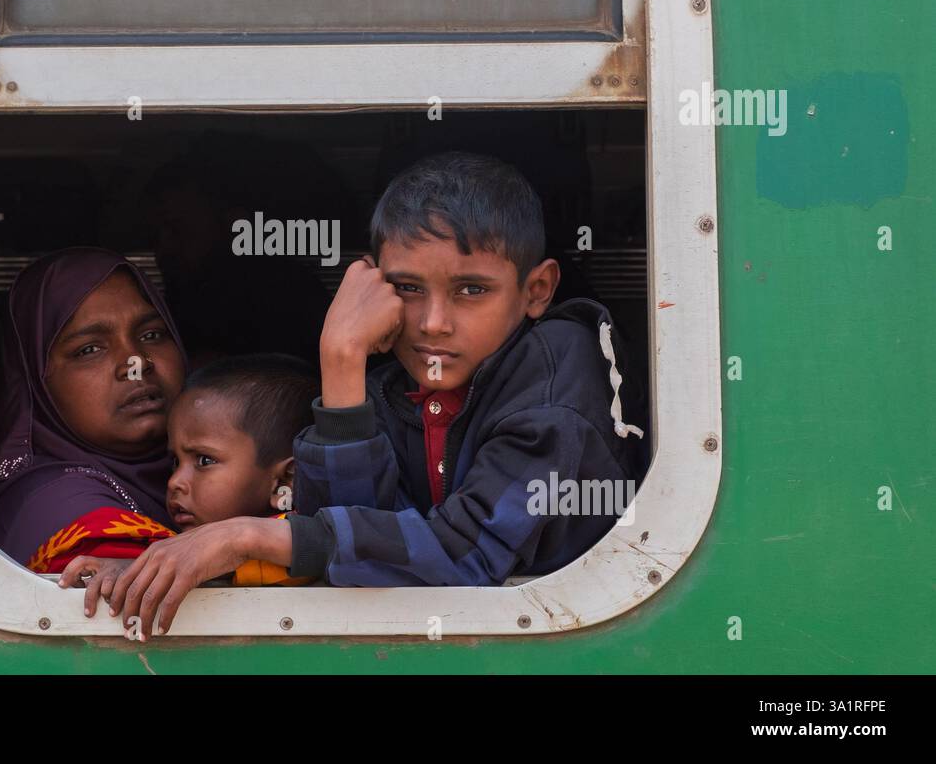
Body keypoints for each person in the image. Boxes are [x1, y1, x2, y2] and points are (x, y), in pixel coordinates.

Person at [100, 152, 647, 638]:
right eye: (408, 289)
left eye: (471, 290)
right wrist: (342, 359)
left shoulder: (557, 383)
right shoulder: (393, 385)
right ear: (372, 288)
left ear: (537, 291)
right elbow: (359, 554)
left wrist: (244, 537)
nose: (433, 323)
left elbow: (465, 554)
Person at [0, 248, 186, 573]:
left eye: (152, 334)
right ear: (36, 380)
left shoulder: (196, 470)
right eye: (89, 350)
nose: (136, 363)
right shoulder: (55, 504)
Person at [60, 354, 317, 615]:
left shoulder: (312, 537)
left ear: (285, 481)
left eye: (204, 460)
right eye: (174, 461)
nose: (175, 481)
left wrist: (139, 569)